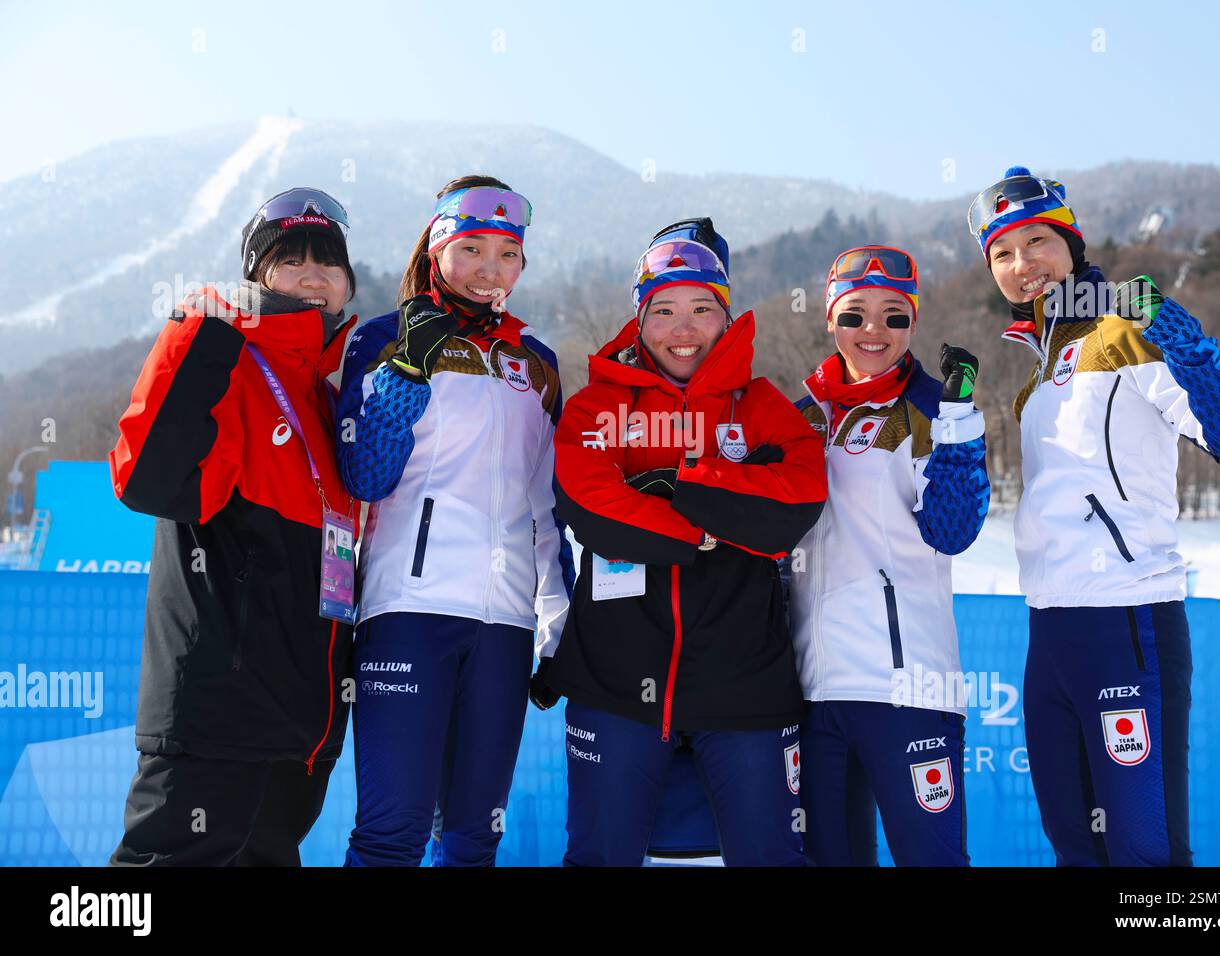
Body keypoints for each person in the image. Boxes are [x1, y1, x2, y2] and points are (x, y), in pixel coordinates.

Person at [969, 165, 1220, 866]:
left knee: (1145, 853)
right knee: (1076, 841)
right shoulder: (1042, 366)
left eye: (1038, 241)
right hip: (1049, 628)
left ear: (1073, 244)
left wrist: (1168, 320)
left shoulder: (1122, 331)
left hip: (1127, 619)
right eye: (1003, 254)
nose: (1023, 264)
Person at [537, 217, 828, 866]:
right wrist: (719, 525)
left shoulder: (758, 404)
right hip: (615, 681)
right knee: (600, 857)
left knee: (771, 857)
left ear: (725, 316)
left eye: (702, 308)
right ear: (640, 320)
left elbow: (799, 499)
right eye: (663, 310)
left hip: (744, 683)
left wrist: (683, 483)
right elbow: (591, 508)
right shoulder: (594, 407)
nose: (684, 328)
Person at [108, 187, 359, 865]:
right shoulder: (228, 360)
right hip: (218, 712)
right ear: (255, 279)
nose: (313, 276)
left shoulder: (332, 400)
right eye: (290, 260)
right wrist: (202, 326)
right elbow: (149, 480)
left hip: (304, 725)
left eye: (329, 263)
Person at [335, 176, 571, 866]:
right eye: (471, 248)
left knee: (473, 837)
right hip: (409, 609)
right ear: (437, 248)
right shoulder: (381, 338)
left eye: (507, 254)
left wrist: (558, 626)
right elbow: (366, 476)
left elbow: (546, 508)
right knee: (391, 832)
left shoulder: (539, 362)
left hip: (505, 626)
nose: (488, 269)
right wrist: (408, 369)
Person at [789, 245, 989, 866]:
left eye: (894, 316)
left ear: (913, 322)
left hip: (907, 687)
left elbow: (953, 529)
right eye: (854, 315)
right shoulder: (802, 417)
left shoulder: (933, 410)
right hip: (813, 691)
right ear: (829, 319)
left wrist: (959, 422)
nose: (873, 330)